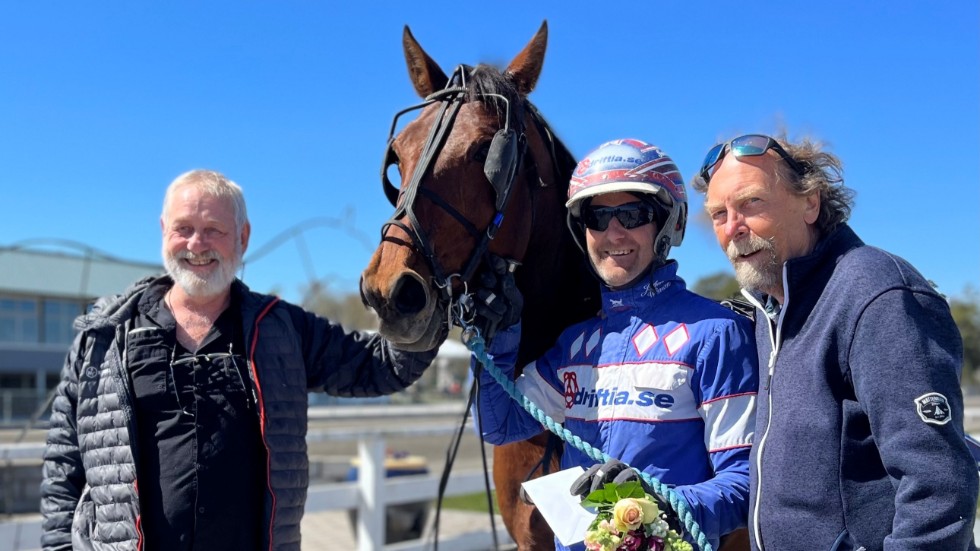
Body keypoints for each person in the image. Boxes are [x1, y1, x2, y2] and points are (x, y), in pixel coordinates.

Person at [40, 170, 439, 551]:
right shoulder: (104, 336)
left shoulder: (282, 329)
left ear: (243, 237)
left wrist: (435, 292)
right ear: (164, 231)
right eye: (184, 229)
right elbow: (64, 464)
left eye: (214, 230)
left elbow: (380, 365)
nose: (197, 244)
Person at [468, 139, 759, 550]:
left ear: (668, 224)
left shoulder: (716, 333)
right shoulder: (575, 345)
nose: (613, 232)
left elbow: (747, 484)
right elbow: (499, 425)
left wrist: (657, 506)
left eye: (632, 214)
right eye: (597, 216)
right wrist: (496, 335)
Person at [694, 134, 978, 550]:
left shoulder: (874, 292)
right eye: (719, 214)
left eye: (751, 203)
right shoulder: (770, 313)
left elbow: (938, 488)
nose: (733, 229)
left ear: (811, 203)